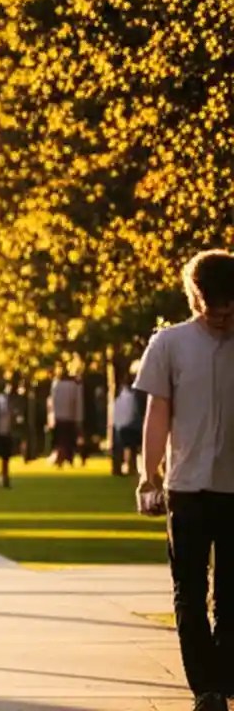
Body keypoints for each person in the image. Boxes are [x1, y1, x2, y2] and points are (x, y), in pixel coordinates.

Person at [132, 250, 234, 711]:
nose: (222, 315)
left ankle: (226, 673)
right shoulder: (168, 344)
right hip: (187, 488)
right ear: (196, 298)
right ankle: (207, 688)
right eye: (214, 307)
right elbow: (158, 415)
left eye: (230, 306)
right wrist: (147, 477)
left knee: (232, 594)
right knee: (189, 592)